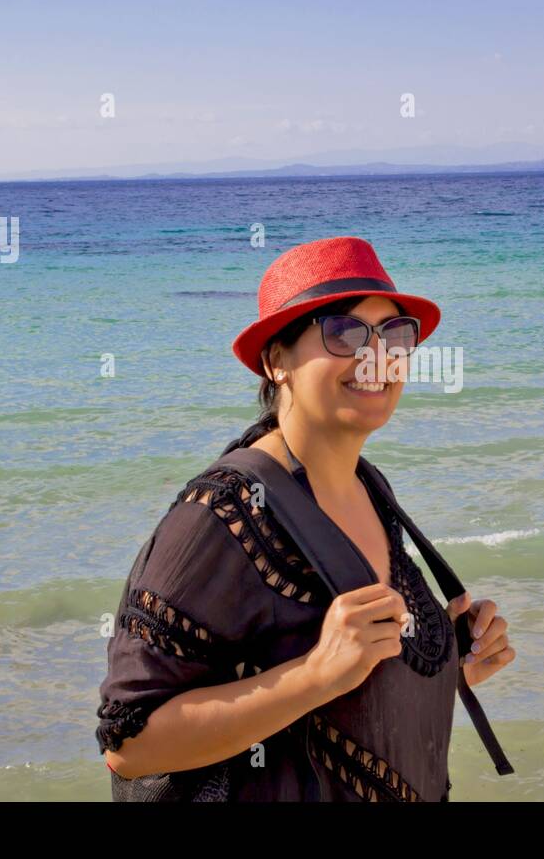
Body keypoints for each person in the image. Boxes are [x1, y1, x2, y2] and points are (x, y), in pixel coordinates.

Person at [94, 235, 515, 801]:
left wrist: (450, 663)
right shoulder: (222, 514)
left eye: (394, 334)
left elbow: (353, 687)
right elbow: (130, 743)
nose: (376, 357)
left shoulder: (369, 484)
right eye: (343, 332)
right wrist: (315, 675)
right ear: (276, 360)